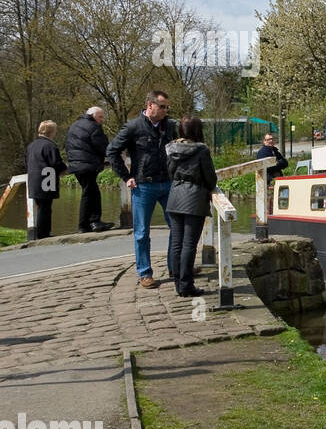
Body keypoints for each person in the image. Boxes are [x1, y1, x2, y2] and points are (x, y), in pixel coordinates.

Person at [107, 90, 178, 288]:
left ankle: (175, 267)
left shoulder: (170, 126)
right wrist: (126, 176)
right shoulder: (133, 127)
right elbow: (112, 151)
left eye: (166, 107)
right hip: (144, 185)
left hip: (168, 183)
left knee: (176, 226)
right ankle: (145, 273)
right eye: (162, 106)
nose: (165, 110)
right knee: (141, 232)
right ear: (150, 105)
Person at [165, 116, 217, 297]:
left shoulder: (172, 149)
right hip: (194, 198)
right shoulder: (201, 150)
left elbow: (170, 172)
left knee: (176, 243)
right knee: (189, 244)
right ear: (198, 131)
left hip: (174, 197)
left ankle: (178, 284)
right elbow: (210, 177)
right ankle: (187, 285)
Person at [65, 106, 112, 233]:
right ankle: (88, 223)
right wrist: (114, 155)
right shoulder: (93, 127)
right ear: (92, 115)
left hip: (76, 163)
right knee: (90, 193)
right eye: (100, 117)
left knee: (90, 191)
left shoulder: (74, 125)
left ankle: (90, 222)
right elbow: (102, 146)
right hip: (88, 164)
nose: (102, 120)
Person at [25, 120, 67, 240]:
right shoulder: (50, 145)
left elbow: (26, 162)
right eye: (55, 131)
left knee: (41, 206)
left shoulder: (31, 145)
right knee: (46, 207)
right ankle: (43, 234)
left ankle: (41, 233)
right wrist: (65, 169)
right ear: (51, 132)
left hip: (33, 178)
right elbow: (56, 163)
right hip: (46, 179)